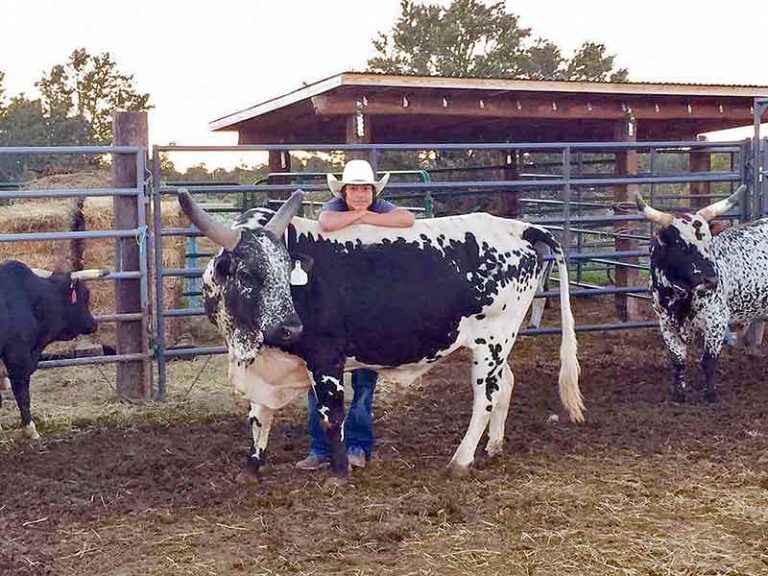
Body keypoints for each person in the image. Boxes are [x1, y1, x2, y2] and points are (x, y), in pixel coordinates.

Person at [295, 159, 415, 470]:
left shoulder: (381, 206)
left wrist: (364, 216)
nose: (360, 194)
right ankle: (321, 448)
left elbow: (406, 218)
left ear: (373, 190)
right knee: (318, 383)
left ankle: (358, 446)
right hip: (332, 307)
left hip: (367, 308)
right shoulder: (334, 206)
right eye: (354, 189)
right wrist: (364, 218)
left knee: (364, 382)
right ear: (344, 190)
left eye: (365, 189)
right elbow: (326, 222)